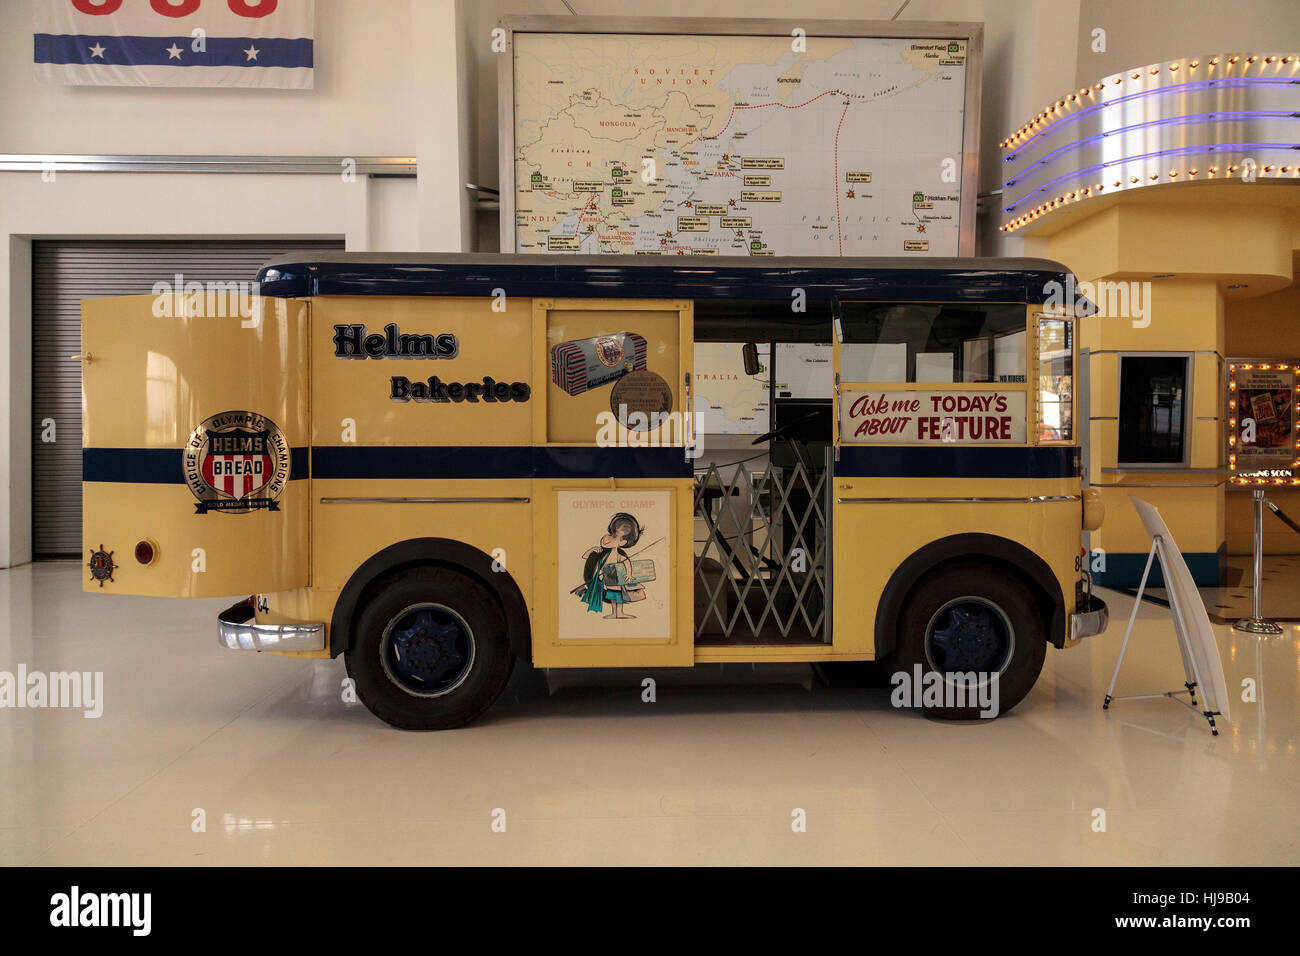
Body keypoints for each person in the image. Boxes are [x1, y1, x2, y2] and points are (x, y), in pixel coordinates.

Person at [574, 512, 645, 619]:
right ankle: (614, 613)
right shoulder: (601, 551)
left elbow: (626, 563)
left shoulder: (619, 555)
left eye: (614, 536)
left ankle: (620, 613)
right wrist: (591, 550)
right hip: (606, 580)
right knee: (612, 595)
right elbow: (585, 557)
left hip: (616, 580)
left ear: (622, 542)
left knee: (619, 596)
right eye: (610, 533)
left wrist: (629, 574)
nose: (607, 538)